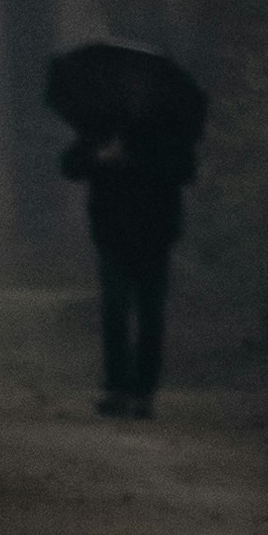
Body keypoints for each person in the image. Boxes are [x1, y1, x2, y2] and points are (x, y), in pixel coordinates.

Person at [64, 113, 190, 416]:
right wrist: (98, 158)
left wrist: (136, 163)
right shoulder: (101, 126)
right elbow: (71, 166)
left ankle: (143, 393)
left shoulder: (167, 127)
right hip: (113, 234)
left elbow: (184, 169)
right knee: (115, 309)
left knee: (149, 312)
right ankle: (118, 389)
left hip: (154, 234)